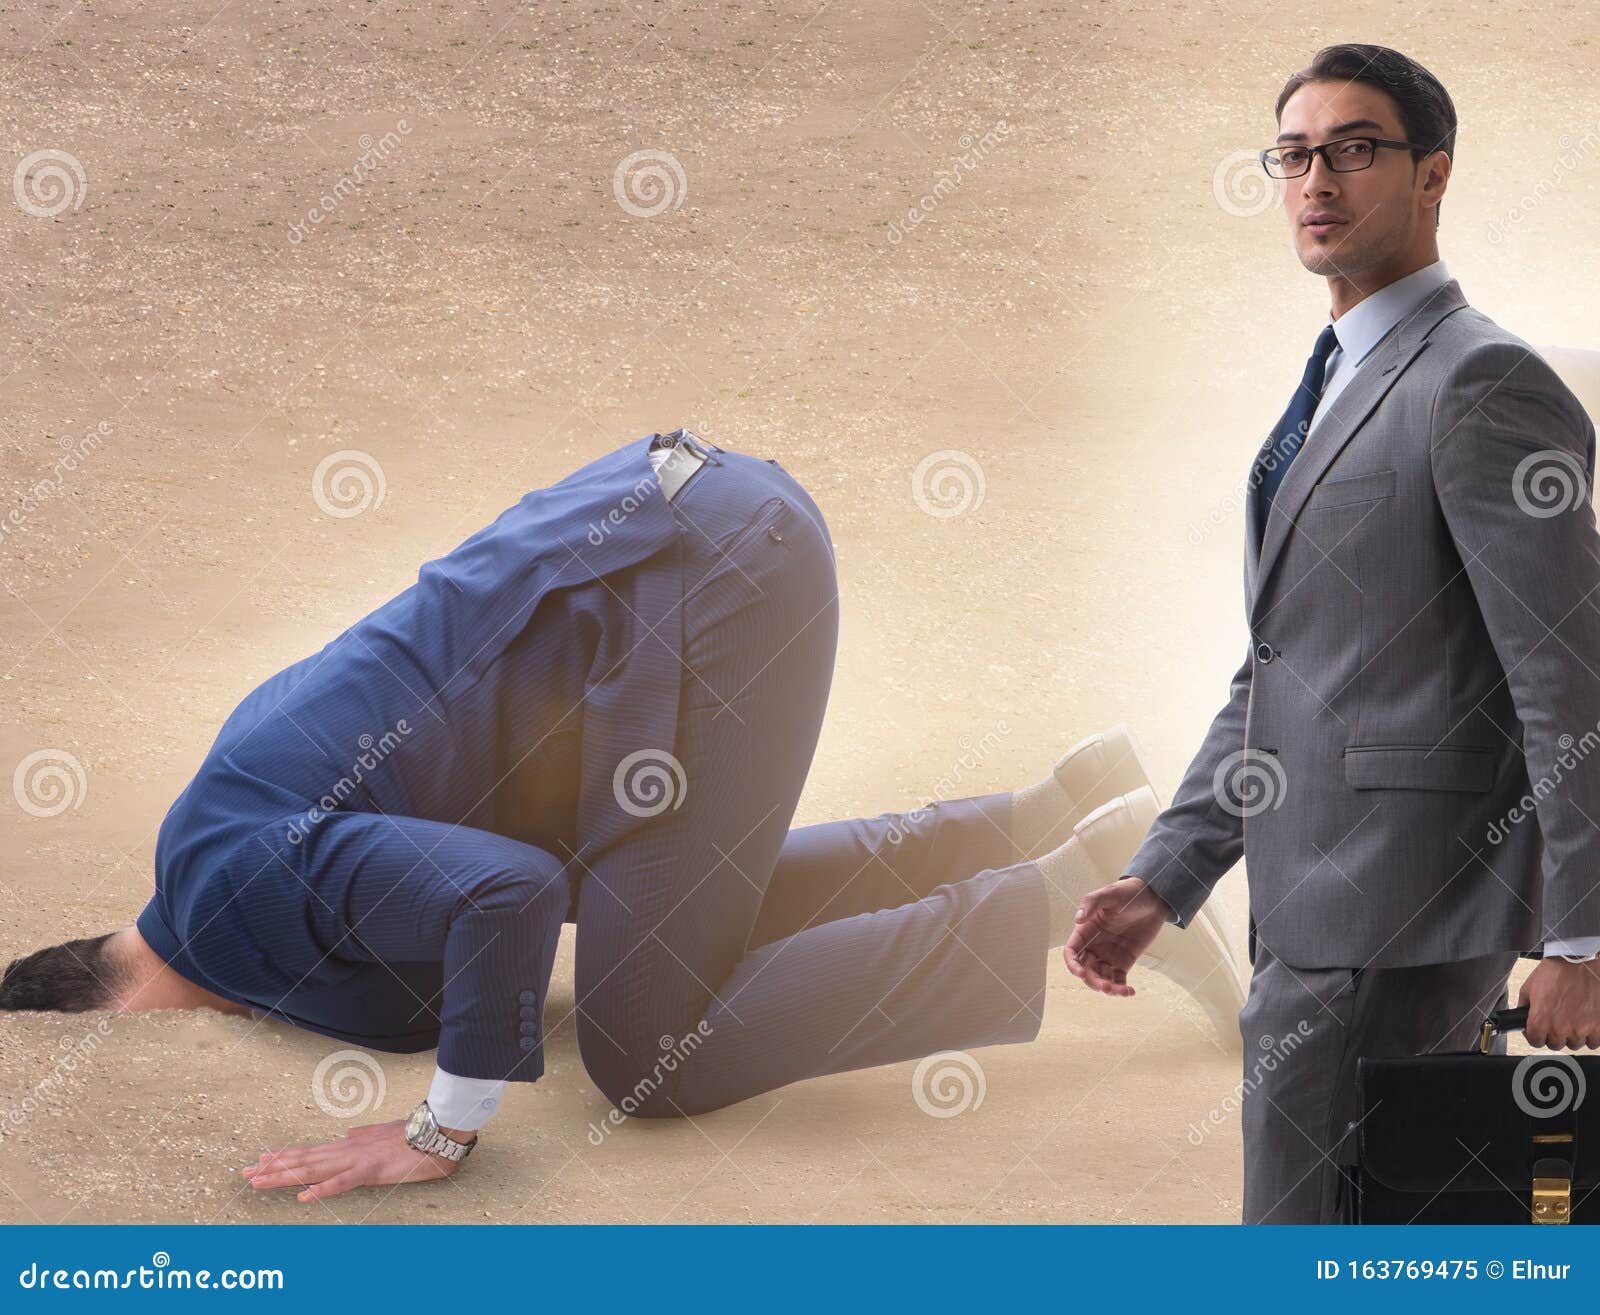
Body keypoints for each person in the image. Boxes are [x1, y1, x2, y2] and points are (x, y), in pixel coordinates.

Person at [2, 428, 1239, 1203]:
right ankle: (1037, 821)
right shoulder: (212, 845)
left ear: (118, 1011)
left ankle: (1071, 896)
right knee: (649, 924)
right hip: (678, 534)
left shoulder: (237, 904)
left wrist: (447, 1126)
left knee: (645, 1046)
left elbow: (508, 895)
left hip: (697, 580)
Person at [1064, 43, 1600, 1224]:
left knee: (1309, 1245)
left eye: (1355, 149)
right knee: (1381, 1239)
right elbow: (1281, 663)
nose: (1317, 180)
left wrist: (1581, 935)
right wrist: (1171, 871)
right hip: (1312, 912)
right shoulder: (1337, 376)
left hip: (1401, 919)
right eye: (1295, 154)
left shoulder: (1483, 381)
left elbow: (1571, 679)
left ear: (1431, 173)